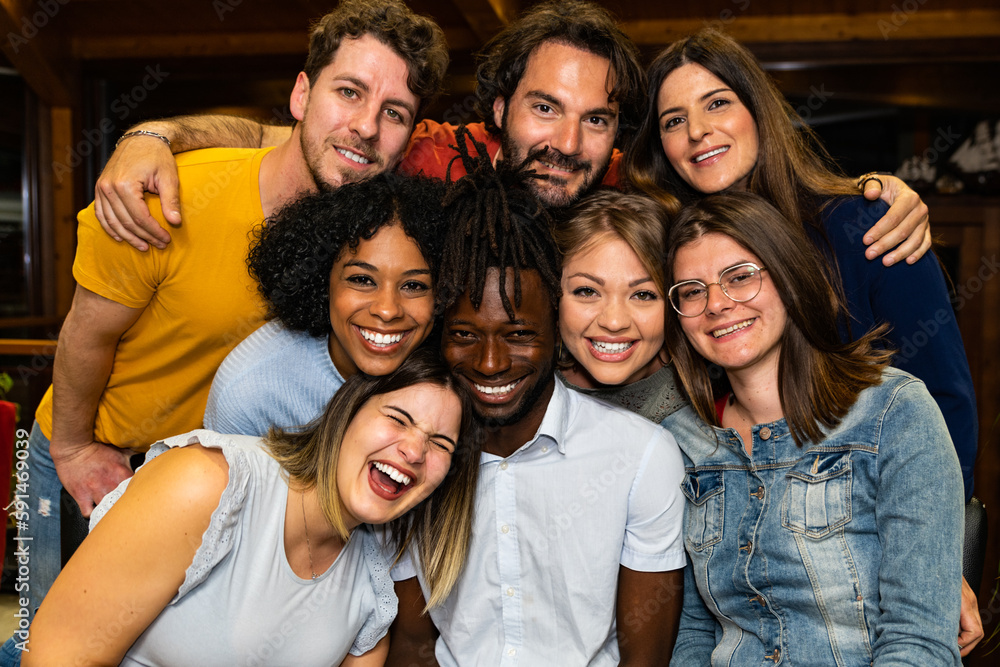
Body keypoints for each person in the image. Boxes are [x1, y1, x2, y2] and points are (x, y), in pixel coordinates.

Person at [2, 1, 449, 659]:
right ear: (303, 93)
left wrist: (155, 127)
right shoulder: (167, 198)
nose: (363, 126)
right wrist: (71, 448)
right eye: (348, 92)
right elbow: (86, 335)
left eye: (394, 113)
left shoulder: (363, 229)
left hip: (226, 480)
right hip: (100, 449)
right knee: (51, 637)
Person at [92, 2, 930, 265]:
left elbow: (736, 190)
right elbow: (276, 134)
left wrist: (875, 190)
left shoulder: (623, 198)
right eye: (544, 108)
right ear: (496, 110)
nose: (567, 140)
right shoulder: (420, 149)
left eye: (596, 118)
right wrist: (153, 132)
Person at [624, 28, 978, 501]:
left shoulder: (867, 225)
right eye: (672, 120)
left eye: (717, 103)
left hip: (875, 520)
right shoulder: (671, 252)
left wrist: (937, 548)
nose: (696, 131)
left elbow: (946, 403)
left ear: (757, 110)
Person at [385, 130, 687, 666]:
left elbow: (646, 660)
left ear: (554, 327)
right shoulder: (413, 457)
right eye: (464, 335)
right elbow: (413, 645)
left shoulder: (642, 456)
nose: (492, 364)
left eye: (520, 335)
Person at [23, 346, 479, 666]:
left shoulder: (372, 587)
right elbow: (59, 657)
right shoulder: (209, 484)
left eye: (439, 444)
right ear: (347, 411)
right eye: (398, 419)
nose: (415, 452)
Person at [661, 192, 964, 666]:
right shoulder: (683, 441)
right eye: (693, 291)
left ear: (789, 278)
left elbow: (919, 642)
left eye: (739, 277)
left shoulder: (893, 412)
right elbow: (693, 633)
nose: (716, 304)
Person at [204, 172, 447, 437]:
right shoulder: (250, 392)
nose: (387, 310)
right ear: (321, 280)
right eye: (363, 280)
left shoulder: (460, 367)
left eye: (414, 285)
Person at [552, 188, 685, 423]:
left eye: (643, 295)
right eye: (587, 291)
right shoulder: (517, 385)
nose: (614, 322)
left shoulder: (707, 413)